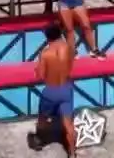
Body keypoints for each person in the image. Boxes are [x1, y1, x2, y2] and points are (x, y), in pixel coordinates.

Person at [35, 22, 77, 157]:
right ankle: (72, 153)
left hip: (51, 91)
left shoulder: (45, 54)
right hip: (66, 89)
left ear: (47, 37)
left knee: (42, 118)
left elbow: (41, 76)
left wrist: (38, 69)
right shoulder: (68, 48)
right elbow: (70, 66)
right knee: (69, 125)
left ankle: (39, 139)